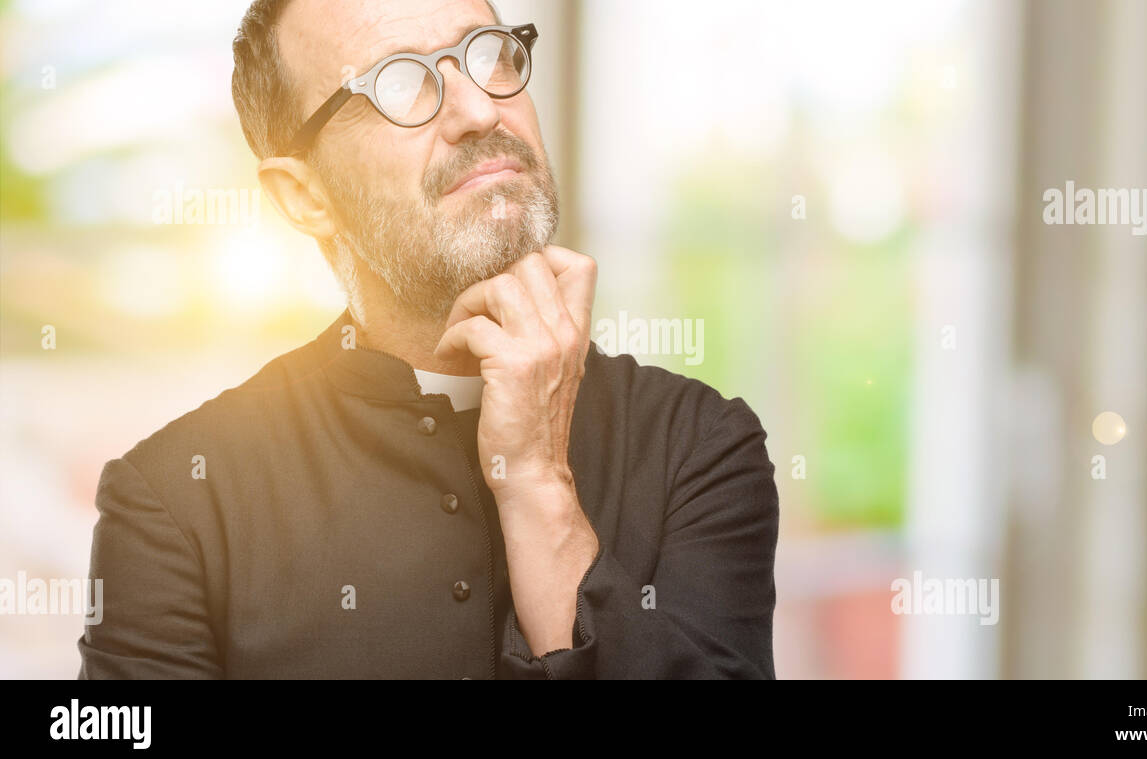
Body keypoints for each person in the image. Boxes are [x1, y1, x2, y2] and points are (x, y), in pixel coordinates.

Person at [77, 0, 779, 679]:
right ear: (304, 196)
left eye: (488, 55)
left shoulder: (701, 445)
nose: (479, 110)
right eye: (401, 81)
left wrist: (537, 483)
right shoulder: (174, 502)